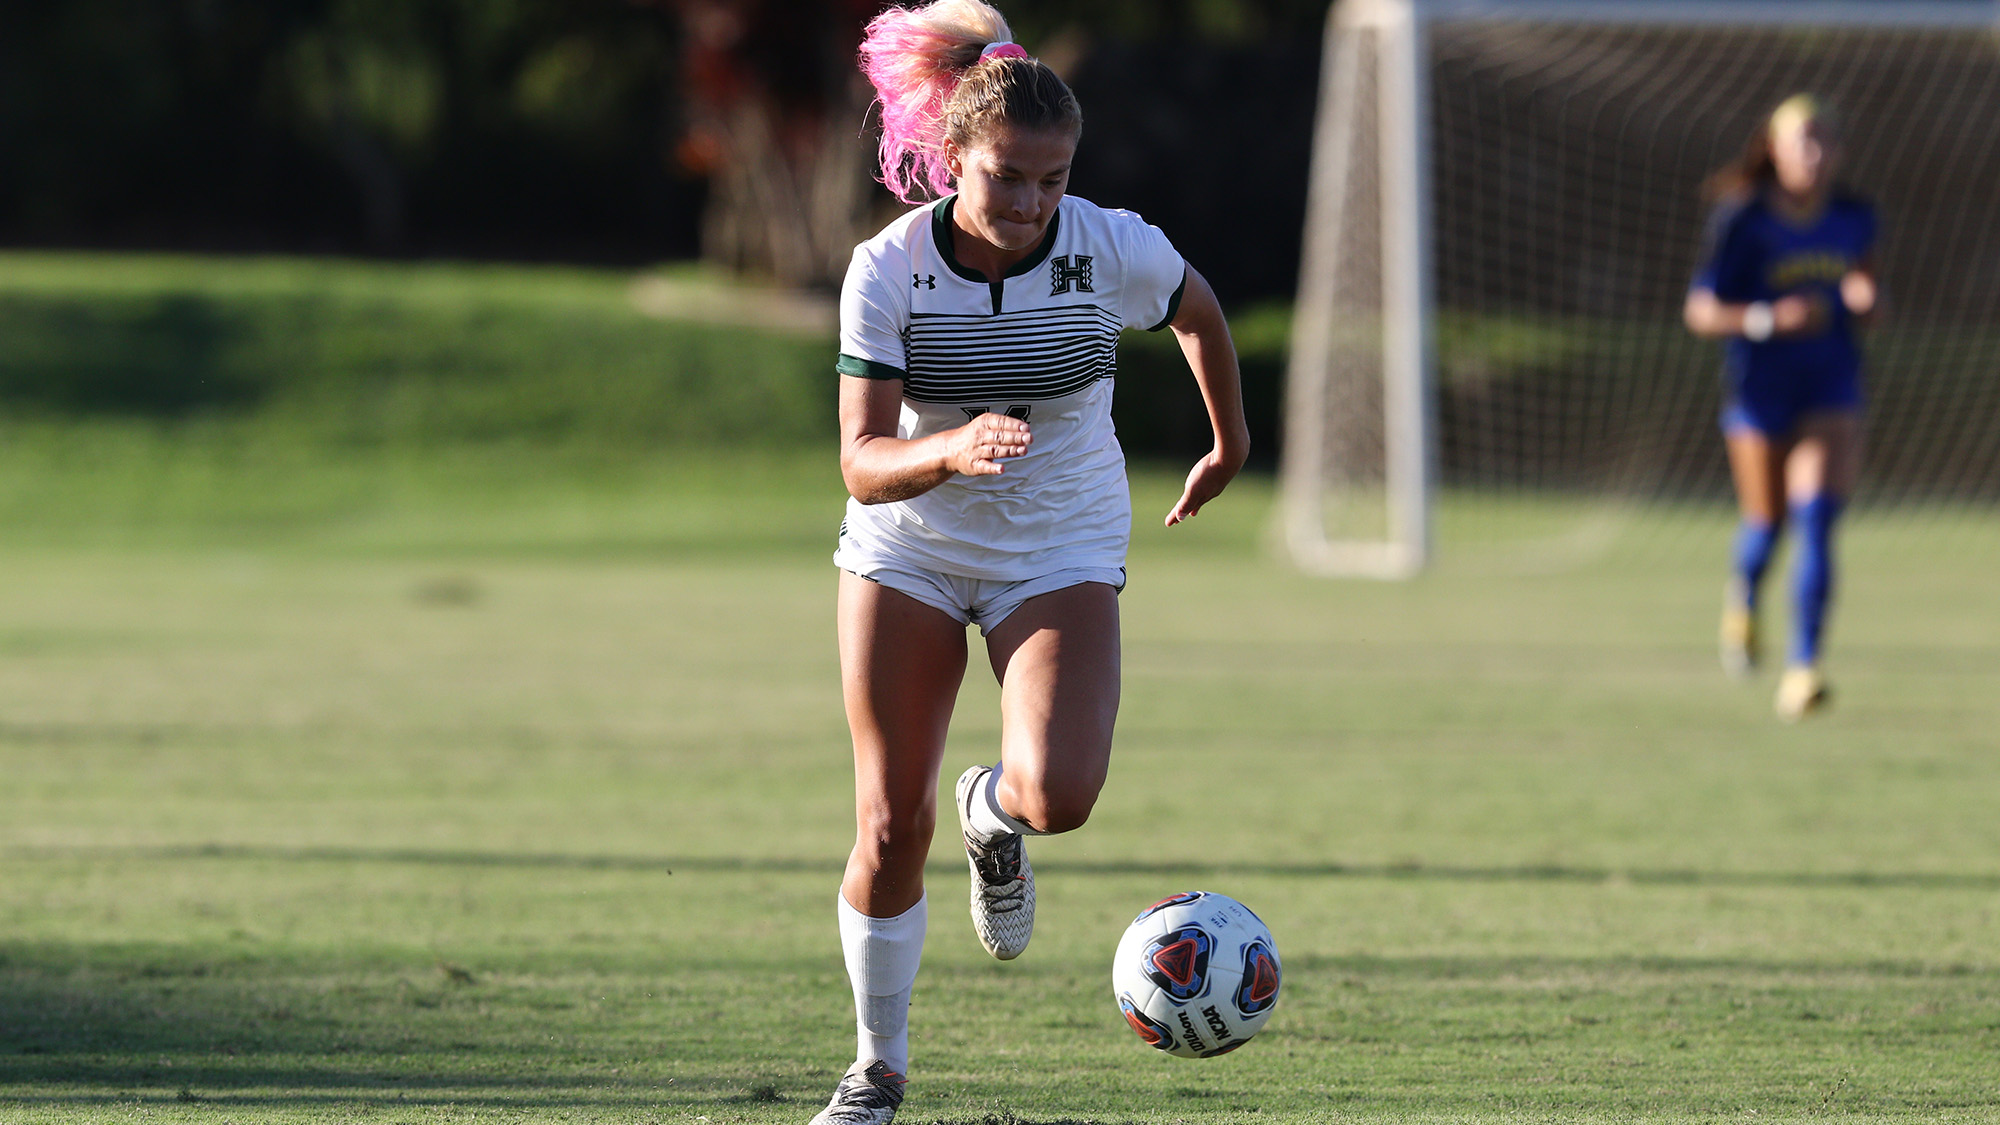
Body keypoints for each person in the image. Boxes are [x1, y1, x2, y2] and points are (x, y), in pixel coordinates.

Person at [811, 2, 1250, 1121]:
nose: (1029, 203)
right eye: (1006, 177)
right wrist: (950, 446)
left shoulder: (1108, 246)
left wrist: (1228, 441)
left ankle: (993, 818)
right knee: (885, 824)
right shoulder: (888, 269)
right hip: (908, 546)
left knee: (1057, 795)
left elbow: (1195, 310)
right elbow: (862, 465)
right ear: (951, 158)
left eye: (1050, 181)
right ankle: (877, 1068)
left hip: (1055, 542)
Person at [1684, 94, 1878, 723]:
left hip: (1831, 383)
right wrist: (1771, 318)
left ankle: (1804, 667)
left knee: (1817, 518)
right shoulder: (1741, 219)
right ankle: (1743, 593)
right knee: (1766, 525)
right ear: (1774, 148)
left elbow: (1864, 287)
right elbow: (1702, 312)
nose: (1816, 154)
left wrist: (1864, 297)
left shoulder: (1853, 217)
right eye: (1804, 141)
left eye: (1827, 141)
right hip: (1761, 389)